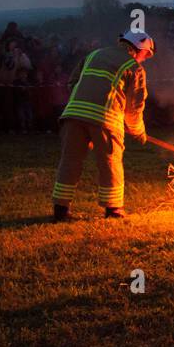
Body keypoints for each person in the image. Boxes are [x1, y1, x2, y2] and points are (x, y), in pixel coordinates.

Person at [50, 31, 154, 221]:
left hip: (73, 115)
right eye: (146, 55)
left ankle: (60, 210)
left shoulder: (94, 54)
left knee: (69, 161)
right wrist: (138, 131)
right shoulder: (134, 67)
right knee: (110, 163)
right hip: (105, 119)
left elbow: (73, 82)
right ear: (139, 49)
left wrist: (83, 105)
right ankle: (113, 210)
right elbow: (134, 108)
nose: (144, 59)